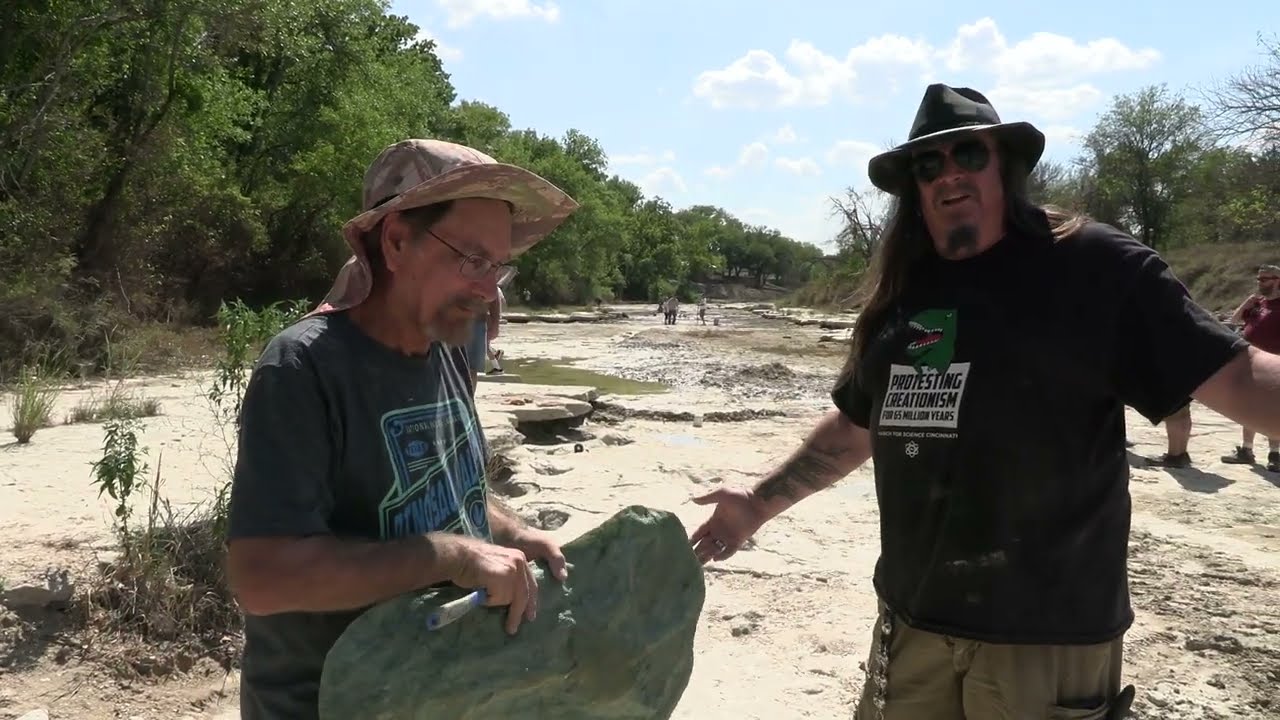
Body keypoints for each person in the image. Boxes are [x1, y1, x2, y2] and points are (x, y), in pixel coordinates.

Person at [688, 84, 1280, 719]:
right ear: (914, 187)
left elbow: (1238, 375)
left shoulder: (1093, 267)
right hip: (911, 626)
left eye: (967, 154)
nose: (948, 174)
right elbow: (862, 424)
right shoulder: (908, 293)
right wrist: (758, 502)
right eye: (928, 164)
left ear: (1005, 165)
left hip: (1045, 640)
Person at [224, 138, 579, 720]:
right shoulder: (303, 369)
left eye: (498, 267)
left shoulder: (448, 347)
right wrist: (451, 556)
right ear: (394, 241)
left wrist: (512, 532)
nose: (489, 290)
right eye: (471, 259)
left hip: (438, 693)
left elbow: (438, 485)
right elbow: (263, 577)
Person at [1220, 264, 1280, 471]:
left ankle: (1275, 453)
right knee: (1249, 407)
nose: (1260, 283)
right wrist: (1246, 303)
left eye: (1265, 279)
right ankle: (1246, 449)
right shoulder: (1258, 303)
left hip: (1273, 363)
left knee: (1273, 407)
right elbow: (1234, 321)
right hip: (1250, 361)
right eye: (1258, 279)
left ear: (1277, 280)